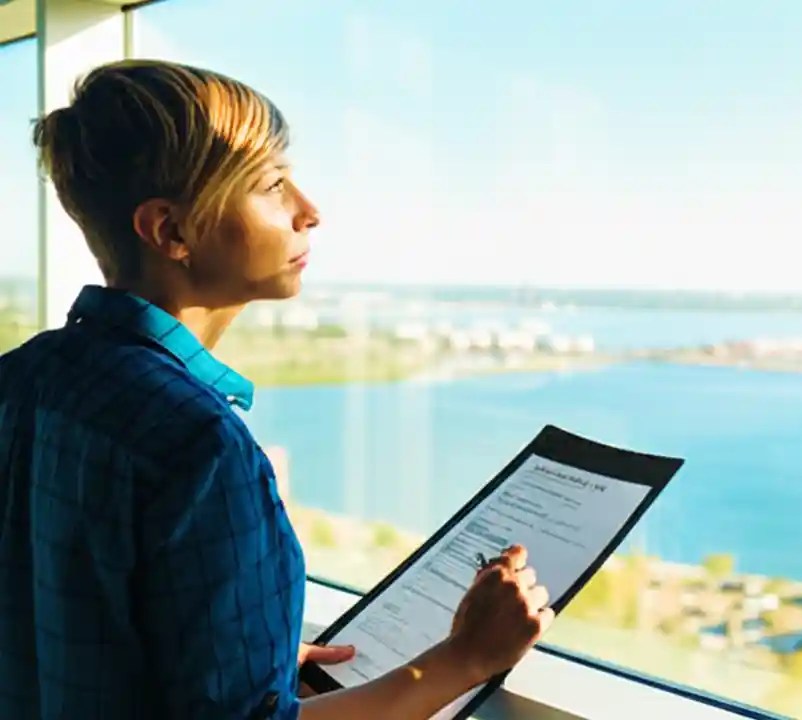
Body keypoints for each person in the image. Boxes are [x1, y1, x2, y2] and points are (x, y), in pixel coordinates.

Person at [0, 59, 554, 719]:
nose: (309, 212)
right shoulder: (198, 446)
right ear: (170, 231)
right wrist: (466, 657)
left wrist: (230, 652)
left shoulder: (21, 376)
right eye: (271, 185)